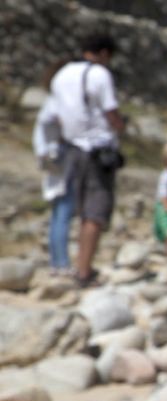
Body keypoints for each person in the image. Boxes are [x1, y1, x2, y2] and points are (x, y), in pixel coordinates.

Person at [50, 32, 126, 288]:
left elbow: (58, 115)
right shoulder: (99, 75)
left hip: (71, 149)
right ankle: (84, 271)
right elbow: (110, 111)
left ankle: (70, 264)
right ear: (104, 53)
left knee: (79, 208)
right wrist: (120, 127)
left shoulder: (61, 75)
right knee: (95, 211)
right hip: (96, 148)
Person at [32, 63, 74, 275]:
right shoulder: (57, 101)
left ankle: (56, 261)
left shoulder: (51, 100)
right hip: (61, 161)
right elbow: (54, 121)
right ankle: (62, 263)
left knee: (58, 212)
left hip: (53, 161)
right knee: (63, 212)